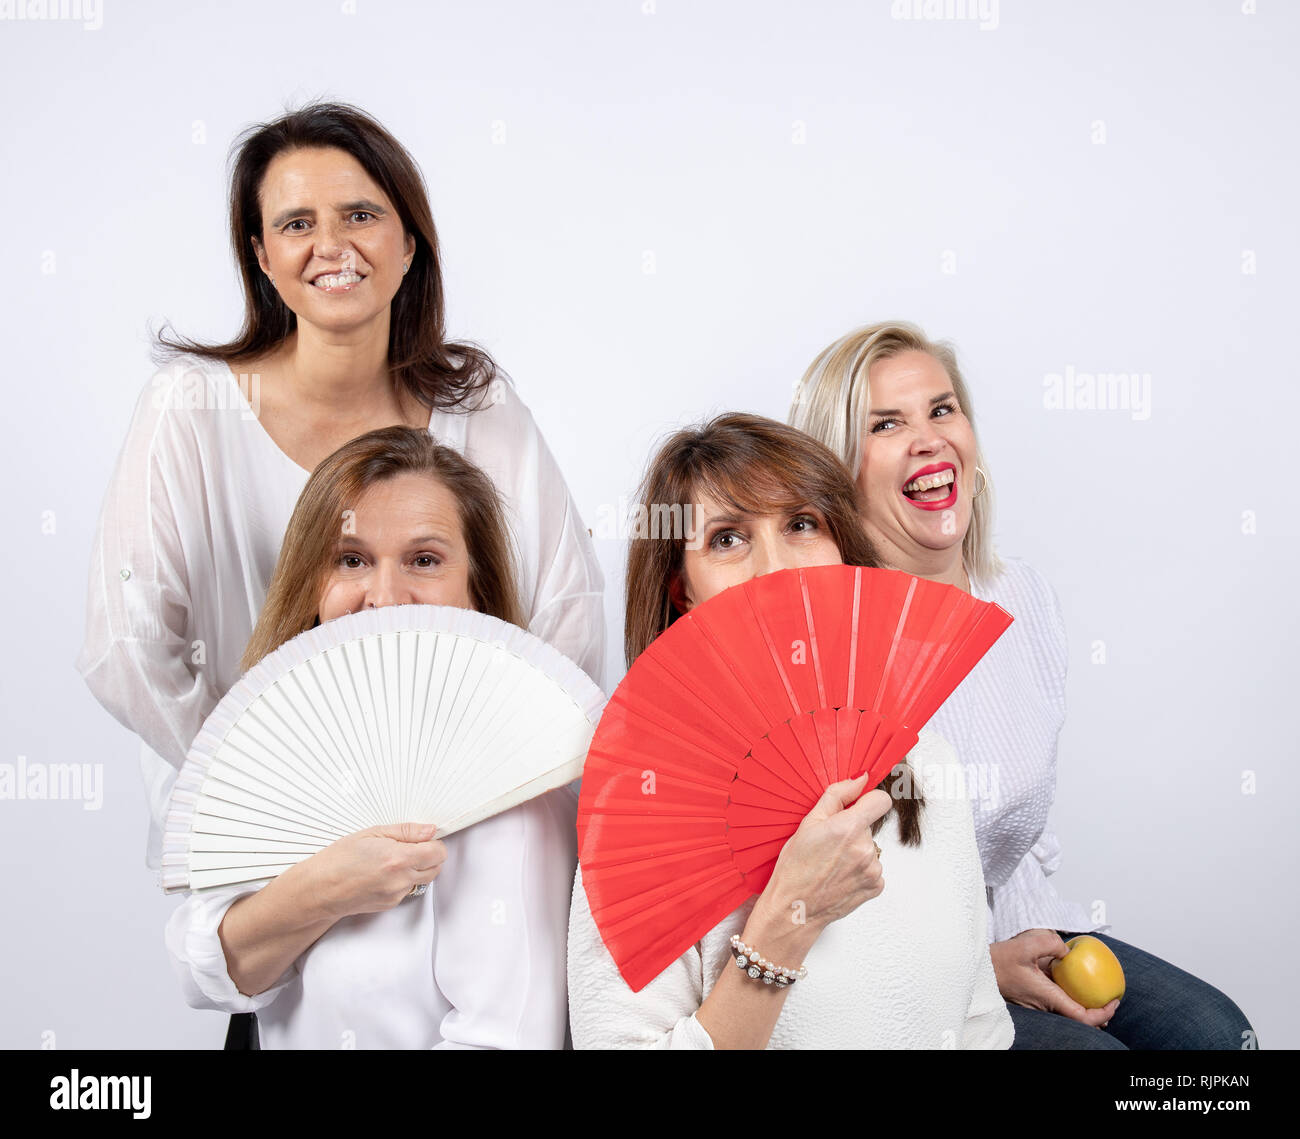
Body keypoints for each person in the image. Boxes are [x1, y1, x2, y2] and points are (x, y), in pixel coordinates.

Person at [75, 101, 603, 864]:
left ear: (409, 241)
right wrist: (263, 780)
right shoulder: (191, 409)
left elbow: (567, 618)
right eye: (296, 224)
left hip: (456, 829)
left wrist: (476, 783)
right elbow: (125, 643)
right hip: (256, 835)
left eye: (360, 214)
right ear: (259, 255)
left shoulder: (480, 409)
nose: (332, 245)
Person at [789, 320, 1253, 1049]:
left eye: (942, 410)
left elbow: (1026, 822)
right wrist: (978, 965)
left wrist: (1026, 932)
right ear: (840, 468)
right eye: (887, 423)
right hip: (904, 977)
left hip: (1026, 927)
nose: (929, 438)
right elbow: (829, 892)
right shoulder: (826, 646)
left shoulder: (1021, 598)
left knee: (1222, 1039)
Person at [567, 413, 1012, 1049]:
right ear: (682, 593)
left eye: (802, 524)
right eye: (727, 539)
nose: (777, 569)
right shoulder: (639, 808)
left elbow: (979, 1028)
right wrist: (786, 922)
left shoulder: (931, 763)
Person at [165, 427, 578, 1049]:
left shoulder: (516, 797)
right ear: (309, 582)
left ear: (478, 589)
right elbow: (208, 974)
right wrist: (325, 889)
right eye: (351, 559)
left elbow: (502, 1041)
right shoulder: (282, 757)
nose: (384, 598)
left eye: (425, 560)